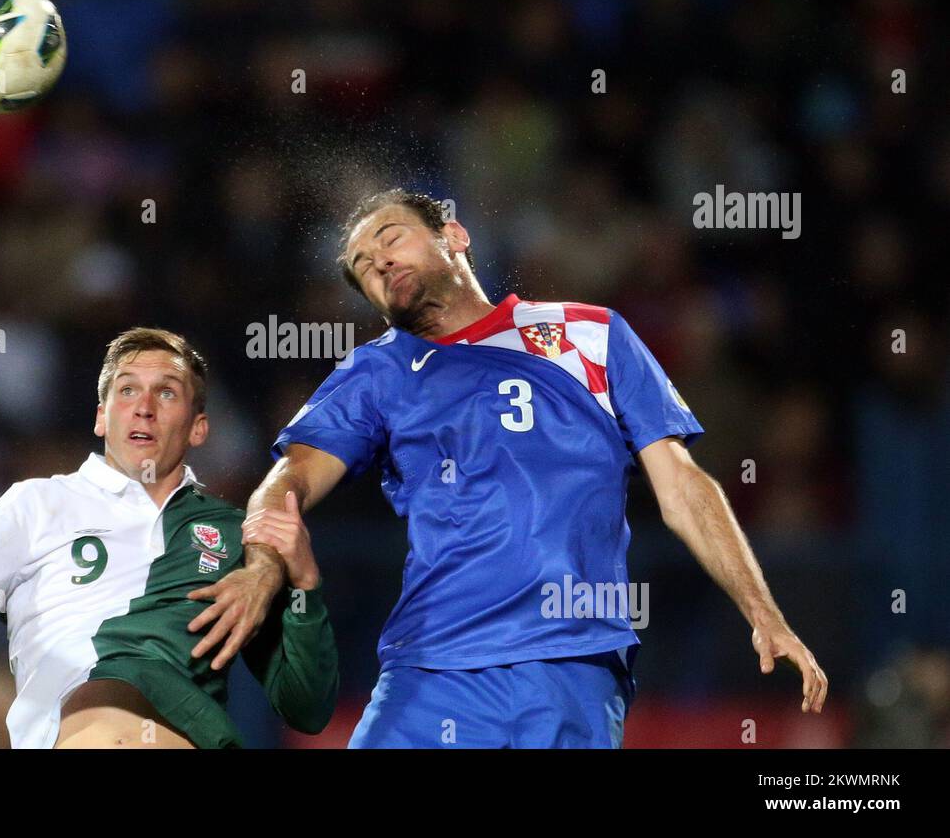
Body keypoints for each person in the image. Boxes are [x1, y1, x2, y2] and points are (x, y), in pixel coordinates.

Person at [233, 188, 827, 748]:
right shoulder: (376, 372)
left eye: (392, 238)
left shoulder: (591, 335)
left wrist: (763, 611)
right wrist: (261, 565)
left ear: (454, 235)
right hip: (430, 666)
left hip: (571, 660)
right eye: (363, 267)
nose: (381, 263)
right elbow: (289, 480)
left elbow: (682, 485)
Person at [0, 327, 337, 748]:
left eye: (167, 392)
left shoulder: (238, 534)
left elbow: (306, 707)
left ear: (199, 427)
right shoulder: (39, 504)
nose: (144, 407)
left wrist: (305, 587)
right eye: (127, 389)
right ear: (101, 417)